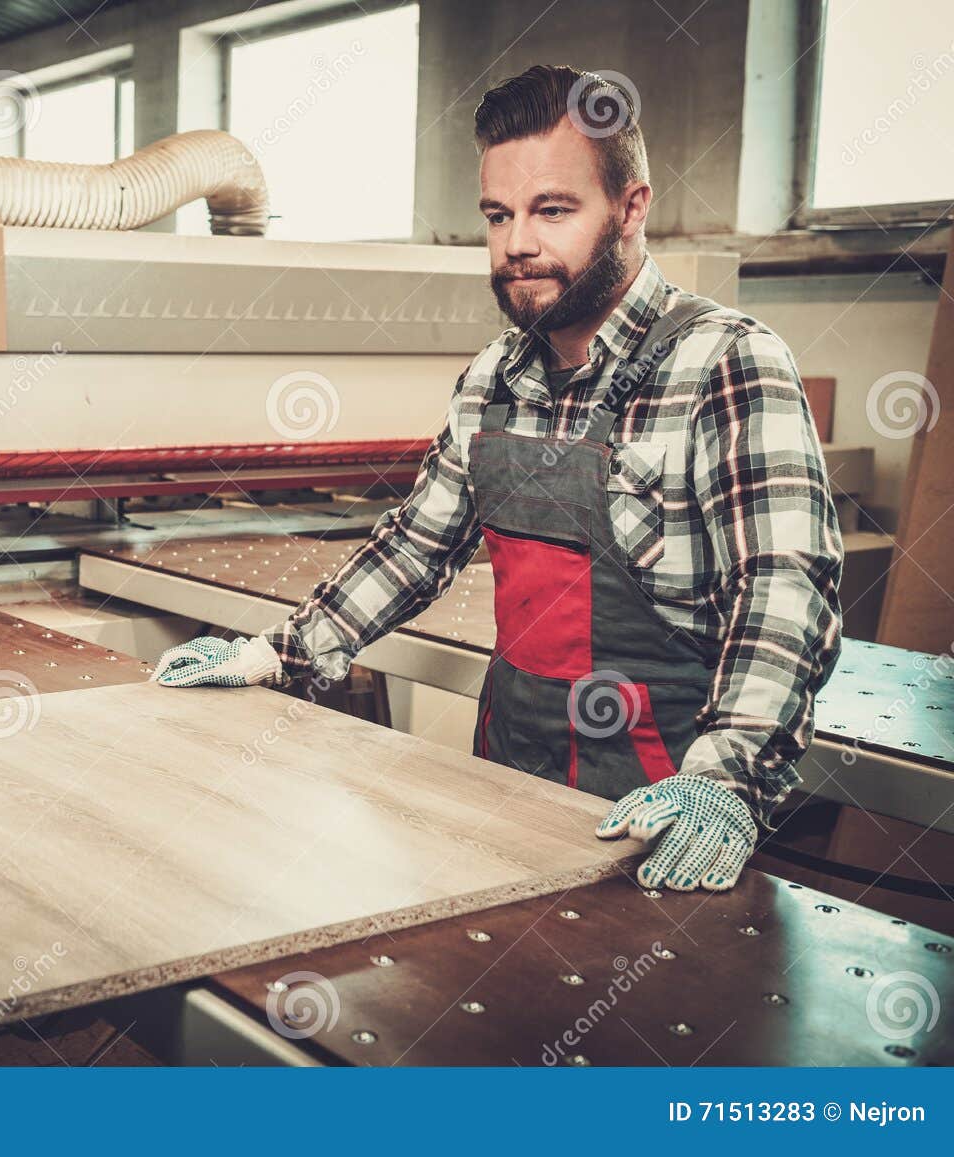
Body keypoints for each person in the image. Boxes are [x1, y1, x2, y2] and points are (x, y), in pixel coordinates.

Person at [151, 64, 843, 894]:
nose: (518, 242)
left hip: (664, 810)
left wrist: (723, 782)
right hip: (508, 779)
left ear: (631, 208)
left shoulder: (727, 362)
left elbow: (784, 590)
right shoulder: (494, 378)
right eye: (498, 214)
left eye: (552, 210)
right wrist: (278, 651)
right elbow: (415, 545)